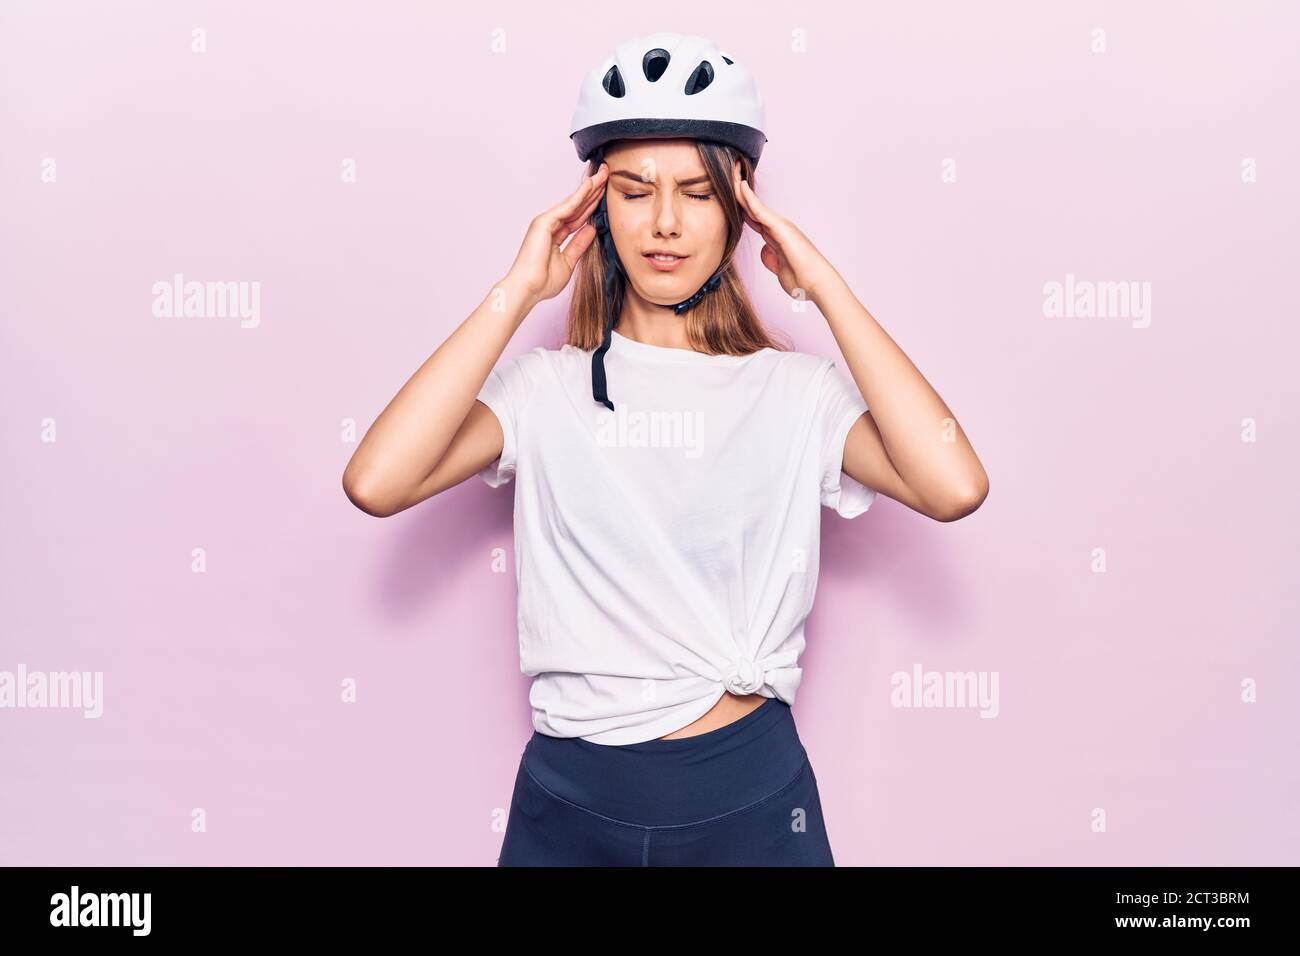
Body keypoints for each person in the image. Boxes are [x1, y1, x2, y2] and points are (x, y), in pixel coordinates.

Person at [342, 32, 988, 866]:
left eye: (697, 192)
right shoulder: (544, 391)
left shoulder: (794, 393)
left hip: (750, 800)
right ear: (595, 210)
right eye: (635, 191)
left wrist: (824, 286)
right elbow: (376, 480)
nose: (667, 223)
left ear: (740, 209)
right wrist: (518, 292)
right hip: (569, 803)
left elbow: (954, 484)